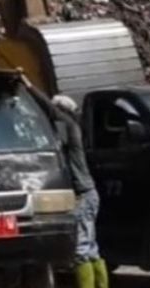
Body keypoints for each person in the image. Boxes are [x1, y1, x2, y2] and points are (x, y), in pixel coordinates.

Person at [52, 94, 108, 288]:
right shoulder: (75, 132)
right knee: (91, 248)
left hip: (83, 196)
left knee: (81, 249)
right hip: (89, 194)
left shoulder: (72, 129)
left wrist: (29, 87)